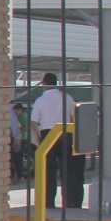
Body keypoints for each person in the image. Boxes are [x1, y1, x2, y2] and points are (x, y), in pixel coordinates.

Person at [30, 73, 83, 210]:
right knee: (69, 171)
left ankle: (47, 203)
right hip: (66, 133)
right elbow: (74, 117)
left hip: (48, 134)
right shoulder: (67, 97)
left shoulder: (40, 100)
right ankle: (71, 203)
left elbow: (34, 122)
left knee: (48, 171)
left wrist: (38, 141)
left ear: (44, 83)